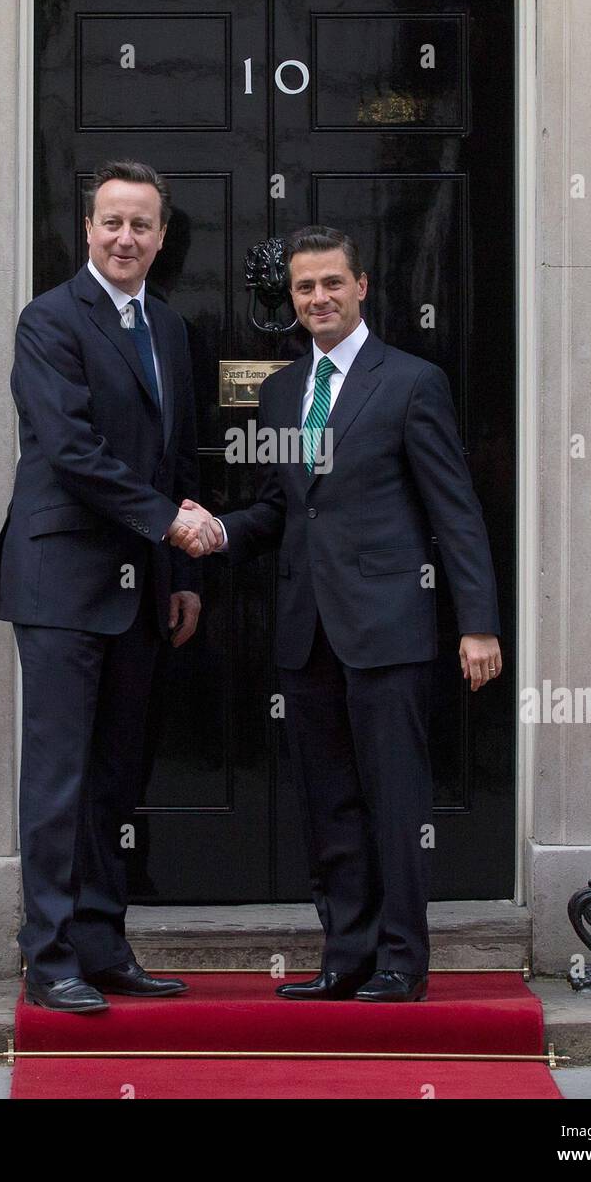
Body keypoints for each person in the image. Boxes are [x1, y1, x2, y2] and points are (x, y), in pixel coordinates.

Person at [173, 225, 502, 1003]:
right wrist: (220, 532)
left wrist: (476, 622)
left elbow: (454, 512)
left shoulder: (412, 381)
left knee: (394, 799)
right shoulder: (284, 391)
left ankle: (399, 961)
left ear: (359, 288)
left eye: (330, 284)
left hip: (388, 626)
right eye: (303, 288)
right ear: (291, 301)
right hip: (305, 630)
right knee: (329, 804)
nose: (317, 298)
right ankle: (345, 954)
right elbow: (285, 509)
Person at [0, 160, 218, 1014]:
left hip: (143, 587)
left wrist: (181, 571)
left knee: (116, 777)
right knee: (58, 779)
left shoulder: (169, 327)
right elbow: (69, 450)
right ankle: (47, 960)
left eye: (142, 225)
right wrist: (167, 523)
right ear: (88, 230)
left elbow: (181, 459)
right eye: (111, 222)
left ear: (161, 237)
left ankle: (101, 944)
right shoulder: (48, 320)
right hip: (61, 581)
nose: (125, 238)